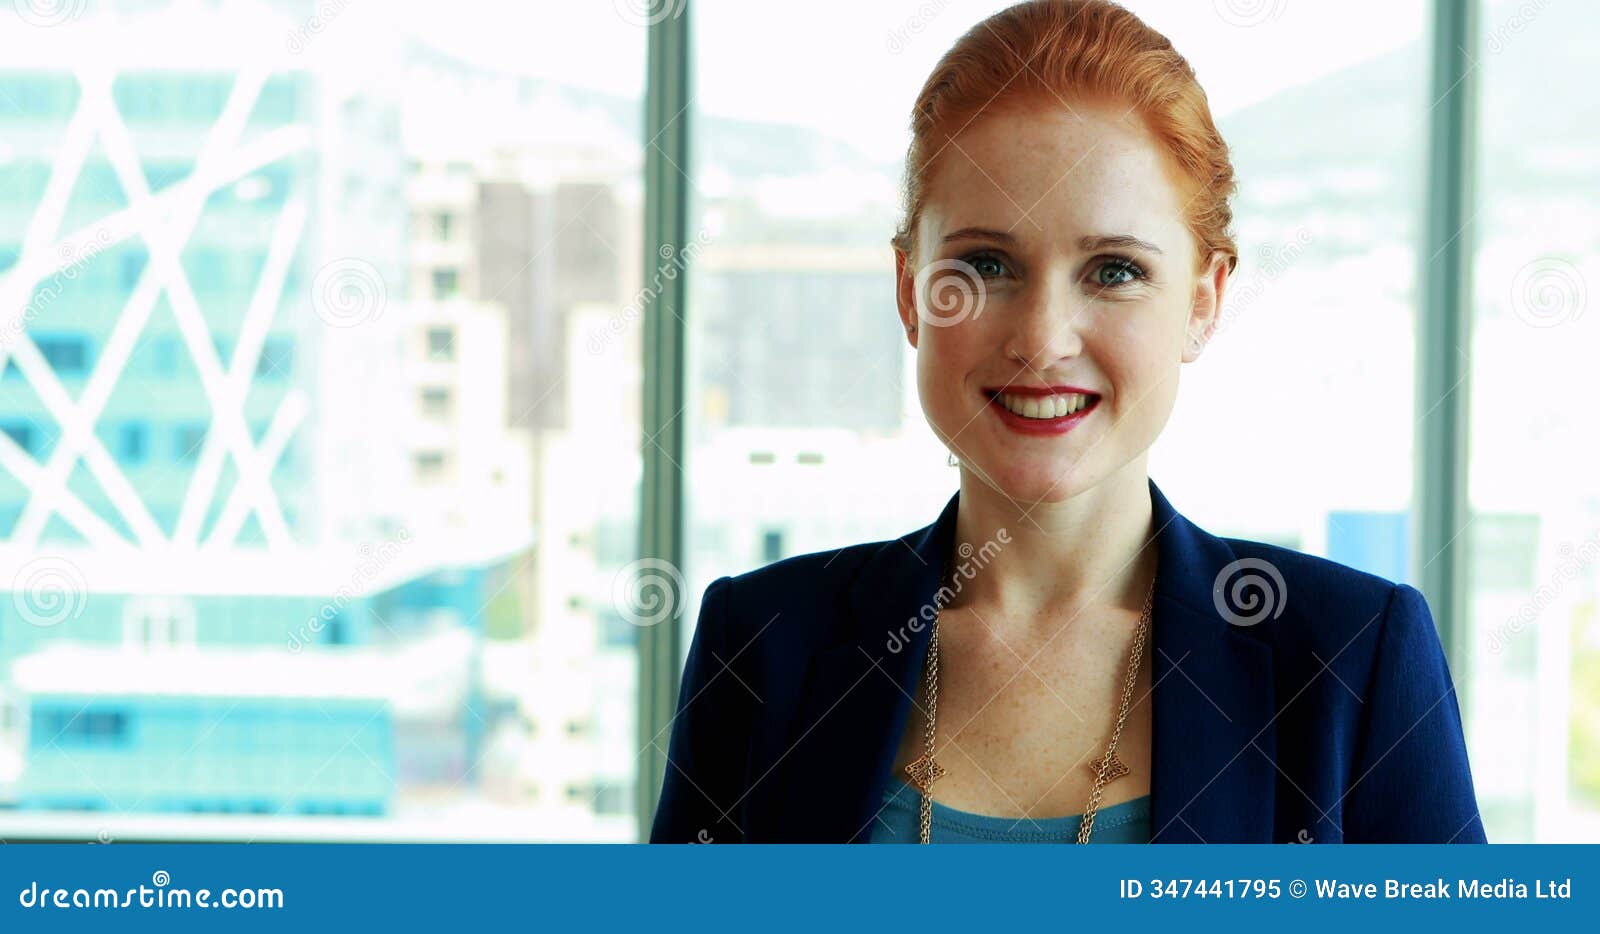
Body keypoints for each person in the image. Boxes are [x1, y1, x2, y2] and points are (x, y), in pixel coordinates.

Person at [650, 0, 1484, 844]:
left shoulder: (1352, 662)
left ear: (1203, 302)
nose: (1042, 340)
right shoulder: (760, 646)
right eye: (986, 264)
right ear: (910, 292)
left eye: (1113, 270)